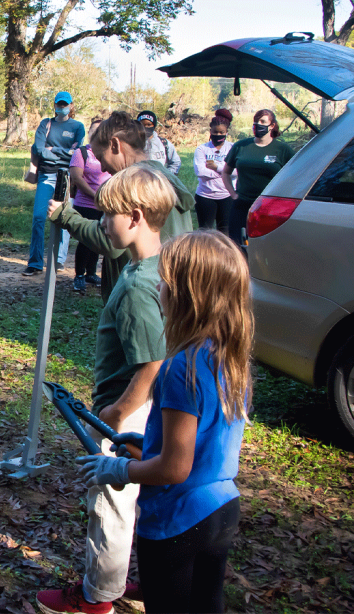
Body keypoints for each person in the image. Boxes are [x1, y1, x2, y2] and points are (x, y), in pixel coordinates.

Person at [77, 230, 251, 614]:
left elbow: (175, 468)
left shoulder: (180, 368)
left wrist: (119, 468)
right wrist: (146, 445)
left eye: (165, 280)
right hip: (221, 509)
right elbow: (199, 445)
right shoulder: (227, 356)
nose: (158, 287)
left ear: (186, 294)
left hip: (179, 521)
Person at [36, 165, 176, 614]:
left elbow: (151, 363)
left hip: (128, 413)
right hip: (147, 411)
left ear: (134, 217)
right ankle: (139, 582)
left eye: (106, 215)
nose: (100, 223)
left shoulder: (137, 286)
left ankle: (97, 598)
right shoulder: (159, 265)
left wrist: (114, 415)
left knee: (110, 504)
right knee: (137, 503)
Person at [47, 111, 195, 304]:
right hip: (171, 292)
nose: (101, 168)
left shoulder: (133, 185)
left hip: (138, 295)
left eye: (101, 157)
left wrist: (65, 215)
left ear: (115, 145)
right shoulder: (164, 176)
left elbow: (109, 242)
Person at [23, 91, 85, 276]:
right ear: (55, 105)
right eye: (59, 104)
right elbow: (40, 150)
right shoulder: (46, 124)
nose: (62, 107)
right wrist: (62, 152)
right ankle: (35, 262)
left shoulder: (78, 126)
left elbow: (76, 153)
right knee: (39, 218)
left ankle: (58, 260)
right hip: (46, 175)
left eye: (65, 104)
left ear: (71, 106)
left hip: (67, 177)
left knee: (63, 219)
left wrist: (54, 150)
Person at [221, 109, 294, 248]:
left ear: (272, 125)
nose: (257, 125)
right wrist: (233, 194)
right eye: (255, 122)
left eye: (262, 122)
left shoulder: (282, 149)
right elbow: (226, 173)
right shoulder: (241, 146)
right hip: (242, 205)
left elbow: (296, 176)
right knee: (237, 246)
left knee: (267, 247)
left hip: (269, 208)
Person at [68, 118, 111, 293]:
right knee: (86, 240)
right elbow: (77, 178)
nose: (97, 133)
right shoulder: (81, 153)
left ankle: (91, 273)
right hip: (86, 203)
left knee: (99, 240)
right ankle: (79, 275)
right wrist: (96, 196)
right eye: (94, 130)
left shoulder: (109, 152)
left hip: (105, 204)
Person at [193, 110, 236, 232]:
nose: (218, 134)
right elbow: (200, 172)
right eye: (215, 132)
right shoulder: (202, 149)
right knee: (205, 232)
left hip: (226, 196)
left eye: (222, 132)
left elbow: (237, 171)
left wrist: (217, 167)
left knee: (225, 231)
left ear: (227, 132)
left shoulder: (232, 148)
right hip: (205, 196)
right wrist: (226, 171)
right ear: (210, 131)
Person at [137, 110, 181, 175]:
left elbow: (175, 162)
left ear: (154, 125)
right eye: (142, 125)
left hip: (160, 181)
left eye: (149, 124)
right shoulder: (134, 144)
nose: (145, 127)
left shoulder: (164, 143)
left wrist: (167, 175)